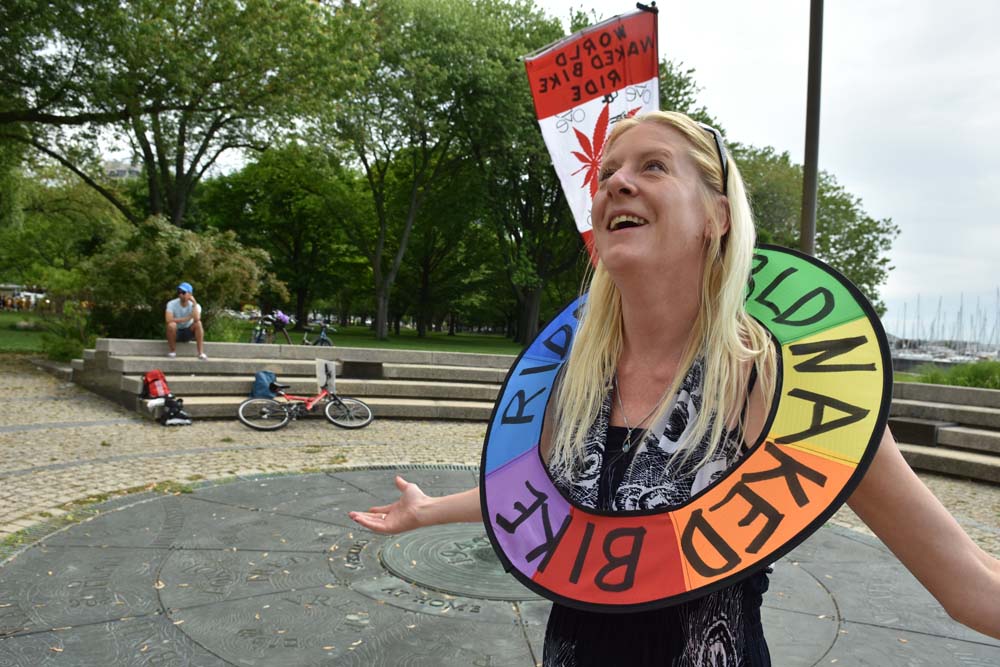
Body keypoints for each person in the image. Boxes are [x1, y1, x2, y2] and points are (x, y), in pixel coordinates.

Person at [349, 111, 1000, 664]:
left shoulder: (769, 378)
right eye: (607, 174)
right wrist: (428, 509)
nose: (617, 184)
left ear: (717, 215)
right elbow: (537, 493)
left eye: (653, 167)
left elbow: (969, 583)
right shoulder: (573, 377)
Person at [165, 281, 206, 359]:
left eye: (183, 292)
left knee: (198, 324)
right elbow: (168, 319)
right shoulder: (171, 303)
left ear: (190, 294)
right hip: (176, 332)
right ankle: (172, 351)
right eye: (179, 292)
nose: (180, 294)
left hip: (188, 331)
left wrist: (194, 303)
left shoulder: (196, 305)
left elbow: (197, 318)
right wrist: (187, 318)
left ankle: (200, 353)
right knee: (171, 325)